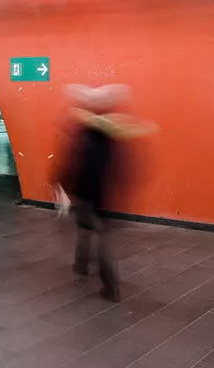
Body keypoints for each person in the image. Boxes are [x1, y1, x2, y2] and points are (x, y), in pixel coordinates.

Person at [52, 84, 158, 302]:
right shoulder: (113, 129)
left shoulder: (89, 129)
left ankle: (110, 286)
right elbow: (125, 163)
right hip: (104, 194)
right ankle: (82, 265)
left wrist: (61, 182)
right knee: (91, 231)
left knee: (93, 234)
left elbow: (75, 160)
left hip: (88, 192)